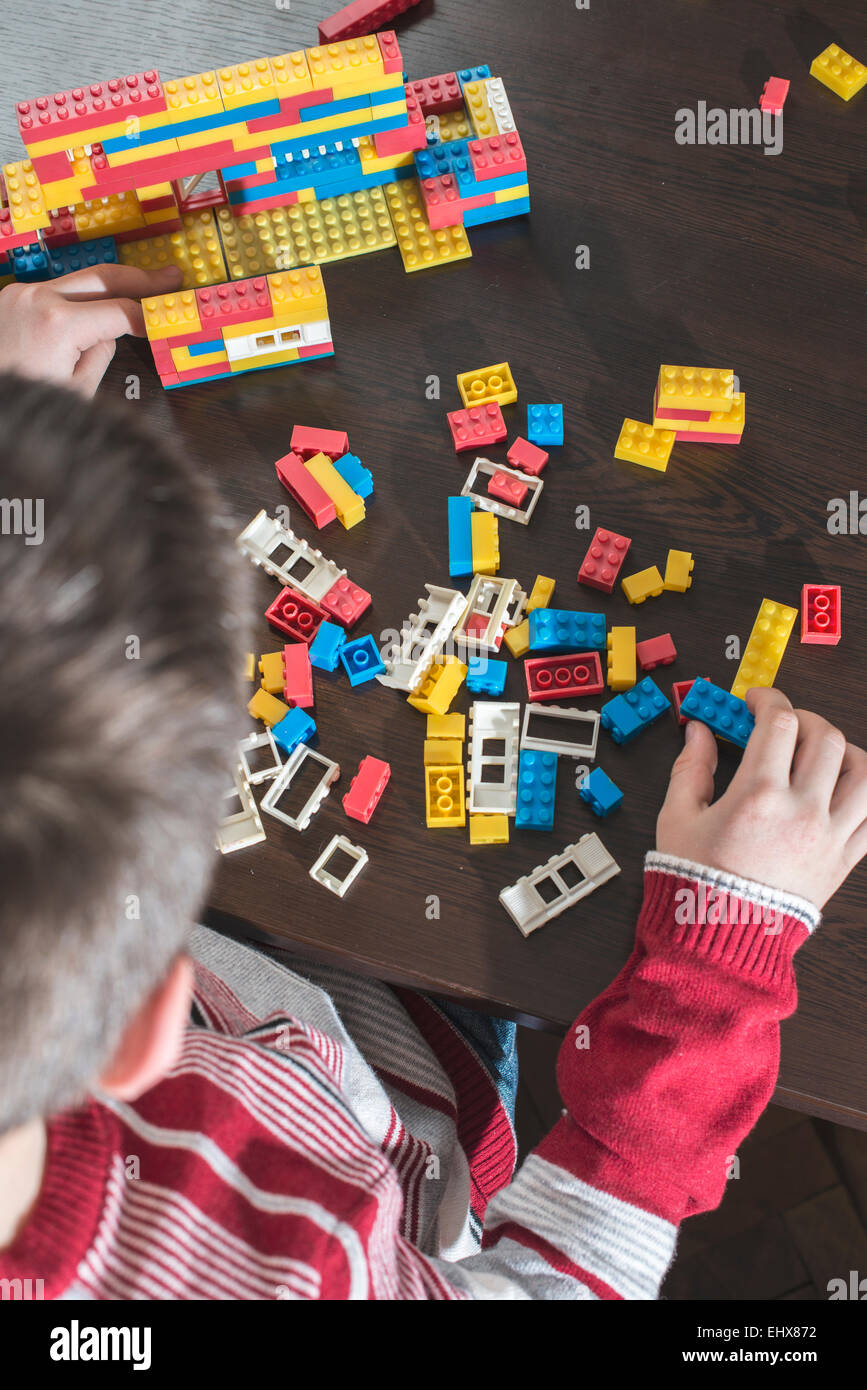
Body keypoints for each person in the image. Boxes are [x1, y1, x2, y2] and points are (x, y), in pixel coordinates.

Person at [0, 266, 865, 1300]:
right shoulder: (298, 1277)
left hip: (238, 979)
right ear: (144, 1014)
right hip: (396, 1092)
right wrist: (721, 947)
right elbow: (572, 1278)